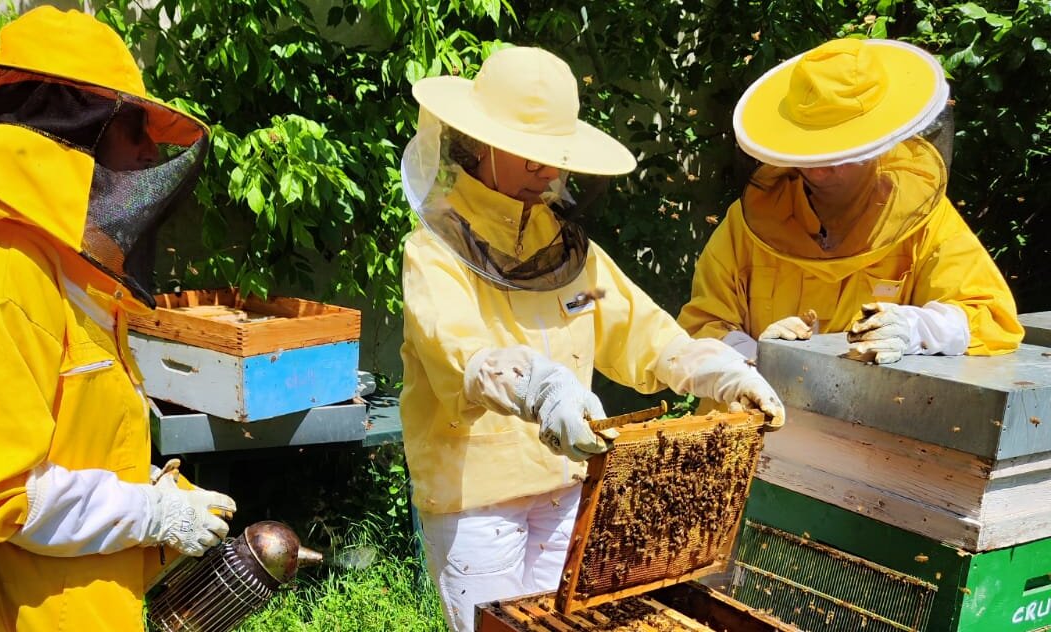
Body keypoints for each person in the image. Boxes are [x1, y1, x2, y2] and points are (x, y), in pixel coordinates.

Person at [399, 45, 786, 632]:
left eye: (552, 156)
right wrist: (542, 388)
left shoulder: (575, 264)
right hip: (474, 498)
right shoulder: (433, 254)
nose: (546, 171)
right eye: (529, 154)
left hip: (568, 487)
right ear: (478, 143)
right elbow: (462, 356)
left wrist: (718, 371)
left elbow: (645, 334)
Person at [0, 8, 235, 630]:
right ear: (75, 131)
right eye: (134, 128)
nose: (151, 151)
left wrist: (155, 487)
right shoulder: (4, 276)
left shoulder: (64, 275)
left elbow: (71, 445)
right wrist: (148, 512)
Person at [678, 38, 1023, 363]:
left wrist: (917, 328)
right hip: (758, 417)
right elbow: (701, 327)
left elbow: (991, 316)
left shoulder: (924, 220)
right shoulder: (747, 224)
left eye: (843, 151)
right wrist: (754, 357)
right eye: (810, 149)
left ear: (880, 145)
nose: (820, 169)